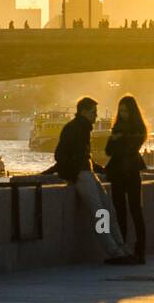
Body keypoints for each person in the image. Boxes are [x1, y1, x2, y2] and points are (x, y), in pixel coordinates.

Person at [53, 97, 134, 263]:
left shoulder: (81, 127)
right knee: (101, 214)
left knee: (108, 210)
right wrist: (74, 173)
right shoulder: (75, 128)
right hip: (82, 175)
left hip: (87, 173)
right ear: (83, 111)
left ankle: (120, 247)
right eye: (93, 113)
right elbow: (61, 155)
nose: (96, 116)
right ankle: (114, 252)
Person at [104, 94, 149, 264]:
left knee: (136, 211)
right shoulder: (117, 128)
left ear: (132, 112)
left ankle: (140, 251)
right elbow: (108, 151)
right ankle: (121, 251)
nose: (123, 114)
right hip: (117, 173)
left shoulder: (138, 128)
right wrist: (113, 140)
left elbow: (130, 149)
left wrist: (118, 140)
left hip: (131, 172)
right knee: (119, 211)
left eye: (126, 111)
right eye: (120, 111)